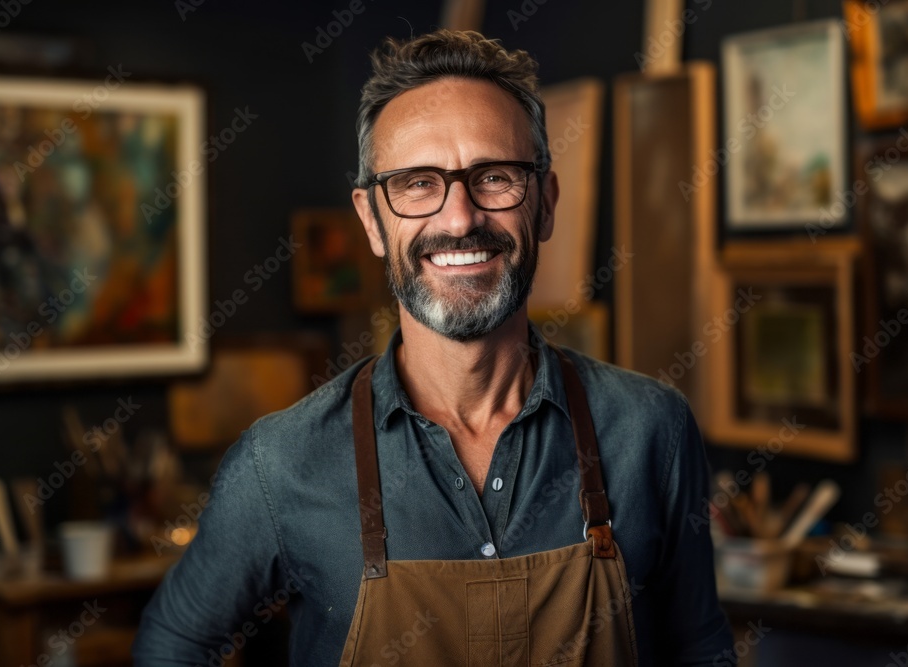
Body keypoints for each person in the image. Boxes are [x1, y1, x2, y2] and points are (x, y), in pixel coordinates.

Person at [134, 29, 734, 666]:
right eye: (418, 184)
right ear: (371, 219)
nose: (458, 219)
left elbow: (700, 649)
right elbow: (176, 644)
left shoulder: (651, 431)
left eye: (495, 177)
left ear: (547, 203)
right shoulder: (282, 461)